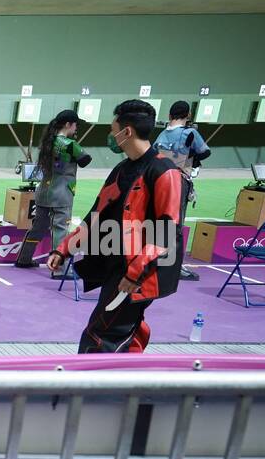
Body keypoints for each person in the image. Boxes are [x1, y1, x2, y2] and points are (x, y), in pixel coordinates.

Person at [47, 100, 183, 354]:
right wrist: (64, 249)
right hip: (117, 267)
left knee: (100, 335)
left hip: (139, 274)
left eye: (113, 129)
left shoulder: (165, 171)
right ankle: (125, 383)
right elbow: (96, 215)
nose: (111, 136)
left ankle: (87, 390)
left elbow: (167, 231)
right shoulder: (122, 169)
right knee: (119, 329)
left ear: (127, 131)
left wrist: (135, 272)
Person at [14, 110, 93, 272]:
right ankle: (60, 269)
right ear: (68, 124)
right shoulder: (70, 145)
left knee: (37, 228)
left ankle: (24, 259)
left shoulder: (48, 142)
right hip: (62, 194)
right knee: (60, 230)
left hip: (44, 191)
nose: (76, 128)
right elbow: (86, 160)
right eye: (75, 124)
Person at [153, 101, 211, 281]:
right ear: (188, 115)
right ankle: (174, 267)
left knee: (160, 222)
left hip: (159, 181)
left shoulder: (162, 134)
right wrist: (189, 158)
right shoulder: (190, 133)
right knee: (177, 224)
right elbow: (205, 152)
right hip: (179, 181)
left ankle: (158, 260)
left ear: (170, 115)